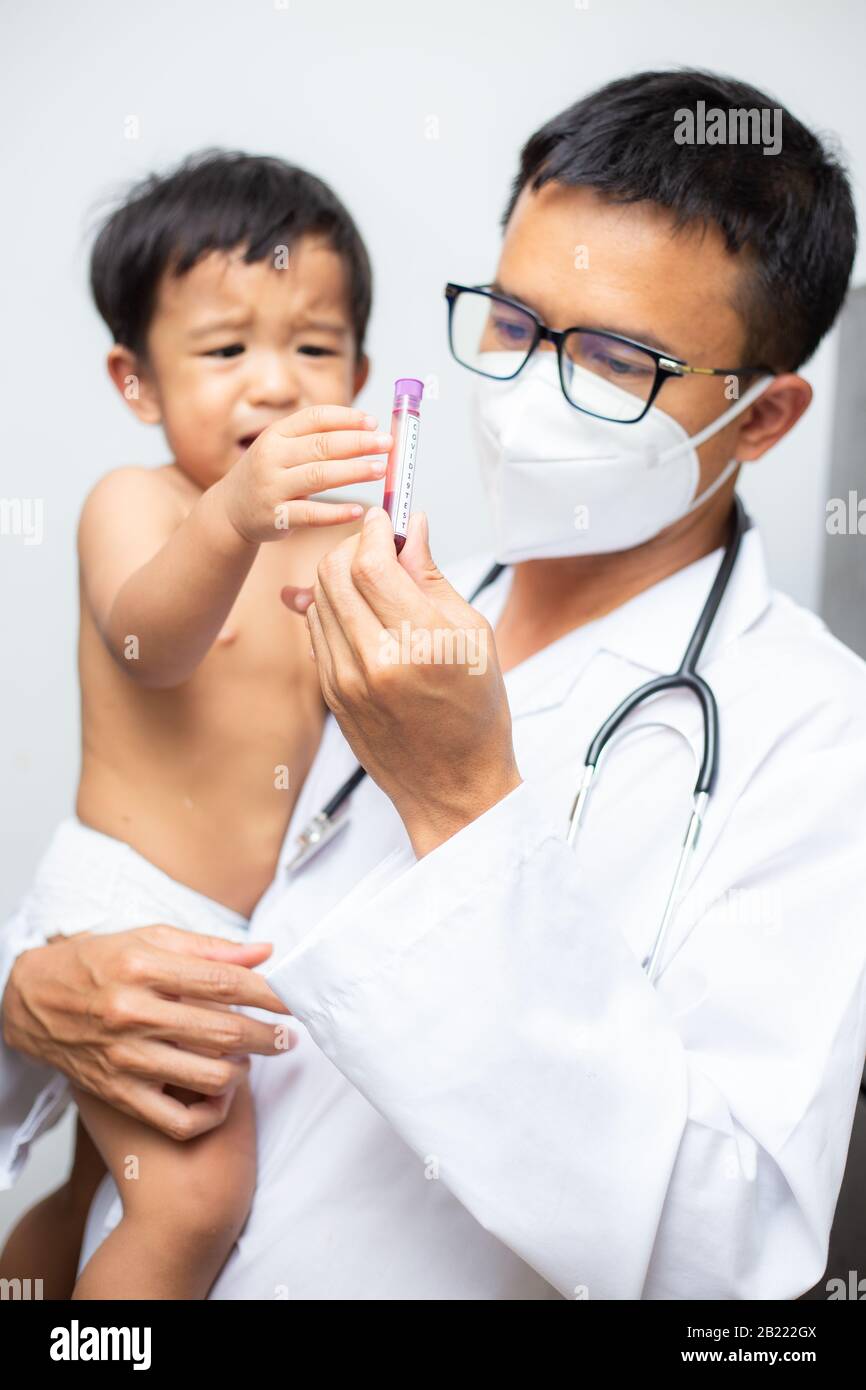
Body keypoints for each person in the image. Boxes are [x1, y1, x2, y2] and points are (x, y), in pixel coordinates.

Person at [3, 68, 865, 1301]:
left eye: (612, 358)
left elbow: (725, 1262)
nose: (527, 388)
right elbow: (164, 853)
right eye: (511, 323)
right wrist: (27, 999)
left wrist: (463, 807)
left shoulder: (819, 739)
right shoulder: (388, 593)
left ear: (764, 417)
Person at [0, 149, 394, 1297]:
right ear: (137, 382)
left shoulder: (338, 536)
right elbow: (149, 643)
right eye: (225, 351)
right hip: (128, 908)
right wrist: (230, 520)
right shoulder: (140, 504)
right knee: (193, 1199)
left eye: (312, 348)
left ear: (361, 373)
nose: (273, 385)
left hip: (236, 927)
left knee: (97, 1185)